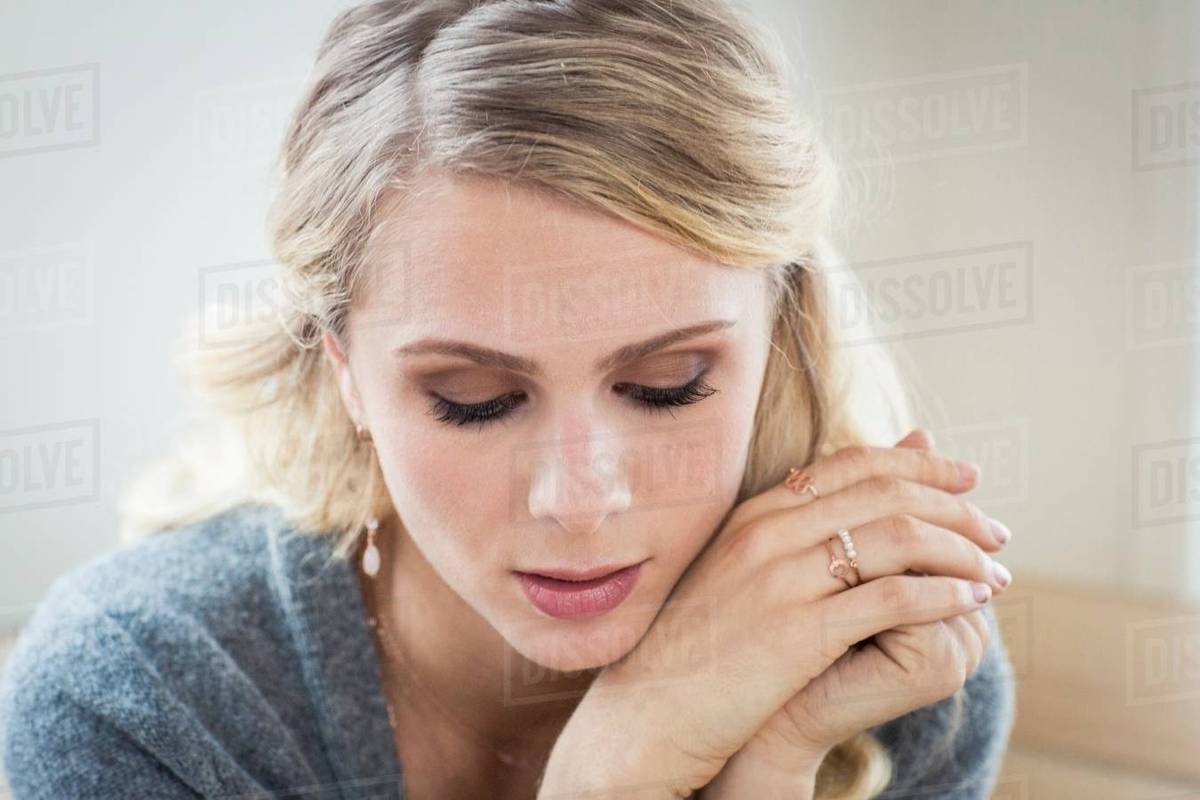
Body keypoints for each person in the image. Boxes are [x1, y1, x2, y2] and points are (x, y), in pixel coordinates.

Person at [0, 1, 1016, 798]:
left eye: (667, 385)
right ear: (344, 370)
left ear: (778, 334)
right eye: (474, 398)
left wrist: (769, 762)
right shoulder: (141, 703)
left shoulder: (899, 672)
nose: (579, 499)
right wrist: (619, 766)